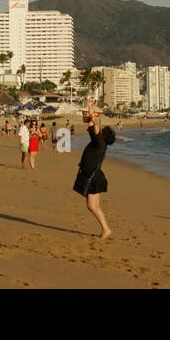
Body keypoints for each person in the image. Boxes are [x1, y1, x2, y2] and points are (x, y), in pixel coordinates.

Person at [73, 100, 115, 238]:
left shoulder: (100, 143)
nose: (100, 131)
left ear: (104, 136)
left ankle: (106, 229)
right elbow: (92, 125)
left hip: (93, 177)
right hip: (95, 176)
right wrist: (90, 108)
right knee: (94, 206)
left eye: (102, 131)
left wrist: (94, 116)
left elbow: (95, 126)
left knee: (92, 206)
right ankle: (106, 229)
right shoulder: (97, 141)